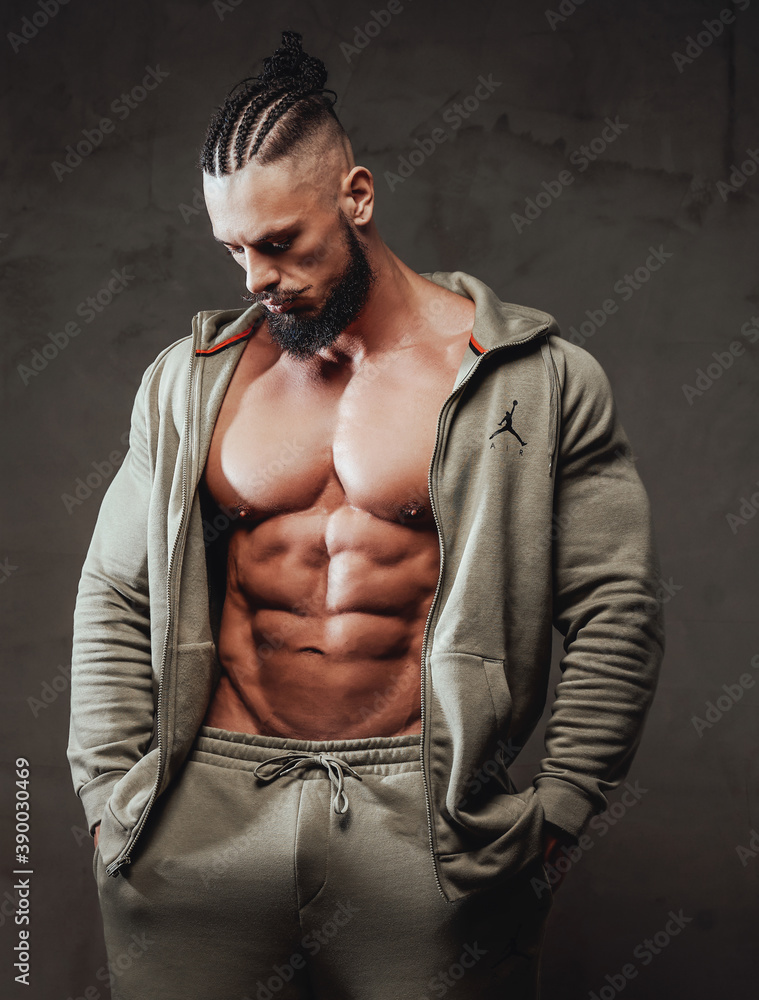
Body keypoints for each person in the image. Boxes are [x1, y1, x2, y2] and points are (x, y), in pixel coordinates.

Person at [68, 30, 665, 1000]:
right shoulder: (191, 385)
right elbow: (112, 590)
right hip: (209, 806)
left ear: (358, 197)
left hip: (424, 826)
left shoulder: (538, 382)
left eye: (279, 243)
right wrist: (108, 804)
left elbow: (617, 606)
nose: (254, 277)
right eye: (233, 249)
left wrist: (556, 814)